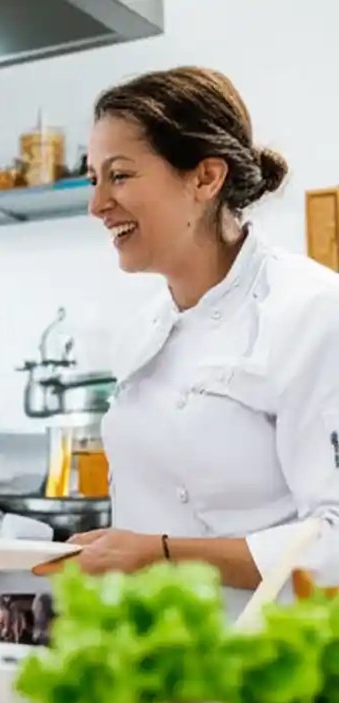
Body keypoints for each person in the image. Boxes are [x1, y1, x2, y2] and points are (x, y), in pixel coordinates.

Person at [34, 66, 339, 612]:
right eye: (93, 178)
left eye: (119, 175)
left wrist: (162, 556)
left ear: (205, 178)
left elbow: (333, 540)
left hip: (268, 648)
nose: (96, 204)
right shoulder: (142, 332)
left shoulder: (313, 312)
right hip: (150, 644)